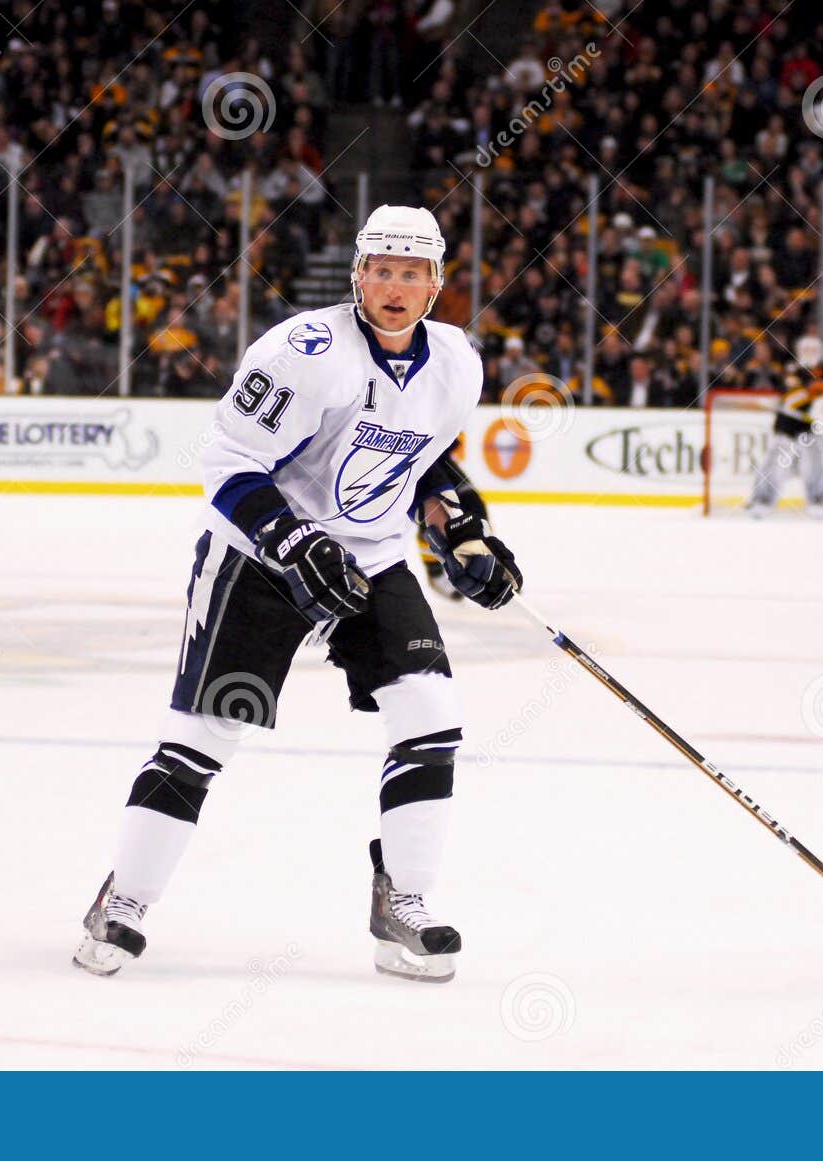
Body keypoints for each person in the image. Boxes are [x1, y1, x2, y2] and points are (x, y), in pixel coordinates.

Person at [73, 206, 523, 983]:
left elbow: (424, 463)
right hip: (259, 557)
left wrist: (467, 531)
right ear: (358, 274)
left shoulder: (457, 363)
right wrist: (292, 541)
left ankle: (403, 904)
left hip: (373, 557)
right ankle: (125, 900)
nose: (394, 284)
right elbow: (228, 460)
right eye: (381, 268)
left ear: (436, 284)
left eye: (411, 272)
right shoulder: (305, 352)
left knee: (432, 720)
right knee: (204, 735)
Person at [744, 361, 823, 519]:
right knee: (774, 463)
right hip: (787, 431)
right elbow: (788, 402)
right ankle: (762, 500)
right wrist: (809, 396)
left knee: (816, 461)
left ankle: (819, 501)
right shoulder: (801, 386)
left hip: (810, 435)